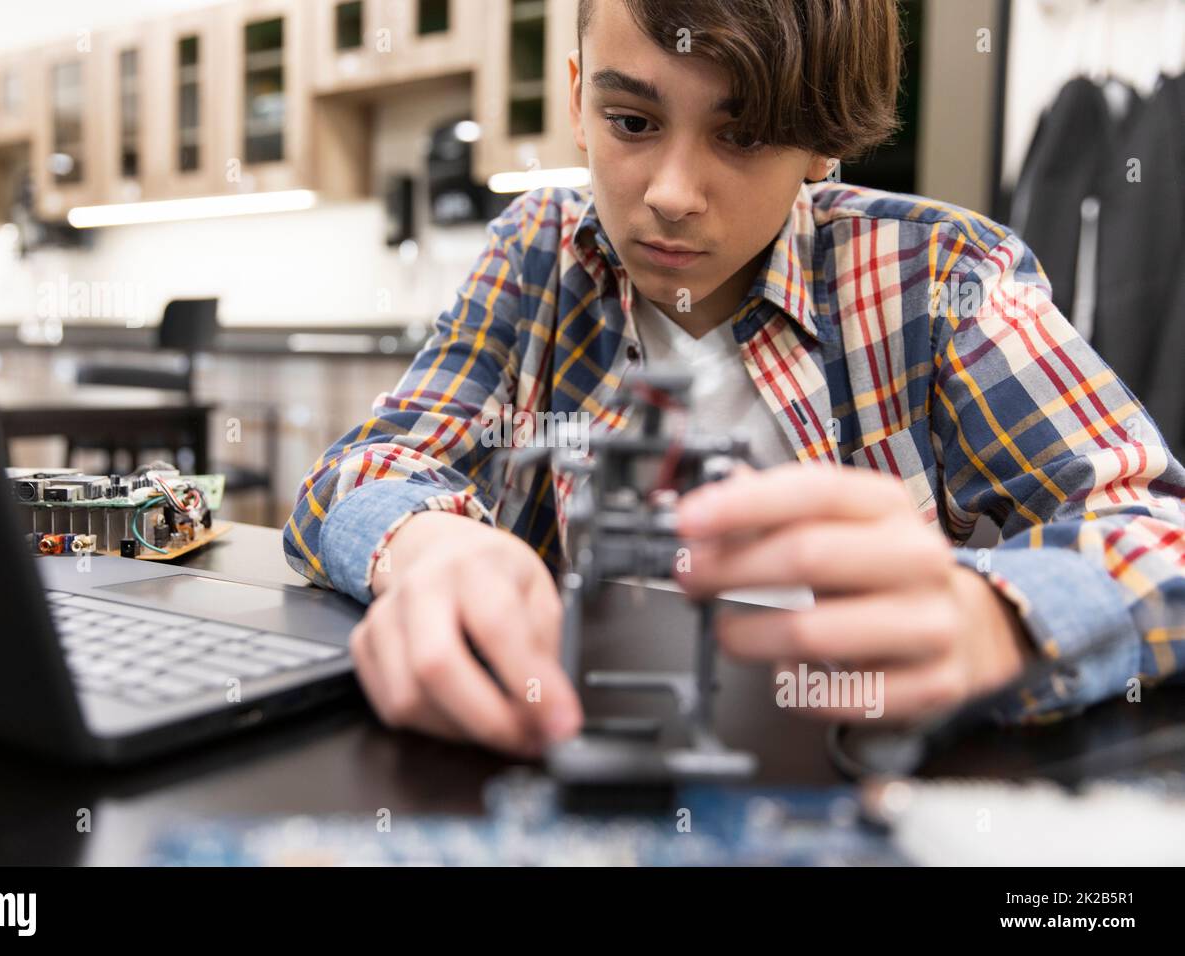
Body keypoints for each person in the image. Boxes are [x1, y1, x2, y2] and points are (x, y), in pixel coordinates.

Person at [284, 0, 1185, 757]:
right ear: (574, 97)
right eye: (632, 122)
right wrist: (433, 547)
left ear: (822, 147)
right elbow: (360, 472)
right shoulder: (536, 254)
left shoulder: (937, 273)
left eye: (745, 134)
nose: (672, 192)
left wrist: (1000, 620)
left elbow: (1159, 530)